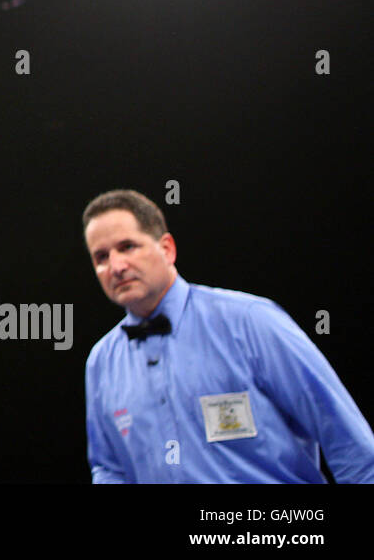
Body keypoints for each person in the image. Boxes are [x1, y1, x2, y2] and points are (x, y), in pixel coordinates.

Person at [82, 188, 374, 483]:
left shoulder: (251, 322)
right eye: (101, 257)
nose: (116, 267)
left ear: (167, 249)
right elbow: (109, 469)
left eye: (128, 246)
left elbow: (348, 441)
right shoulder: (101, 362)